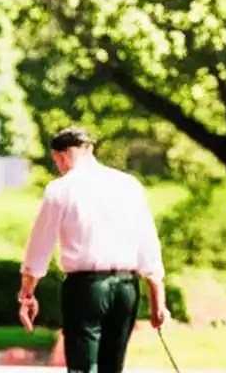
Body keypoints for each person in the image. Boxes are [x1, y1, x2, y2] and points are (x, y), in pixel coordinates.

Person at [17, 127, 169, 373]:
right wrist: (157, 299)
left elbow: (40, 246)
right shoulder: (129, 185)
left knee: (83, 365)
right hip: (126, 288)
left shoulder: (61, 189)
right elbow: (148, 243)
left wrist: (27, 293)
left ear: (61, 156)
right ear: (90, 149)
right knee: (113, 366)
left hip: (86, 288)